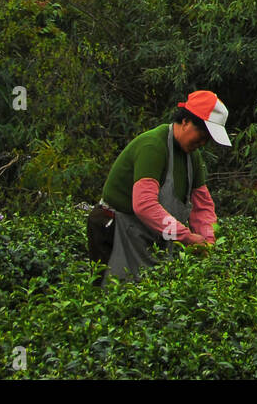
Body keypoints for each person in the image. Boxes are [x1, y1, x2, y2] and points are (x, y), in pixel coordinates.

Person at [99, 91, 231, 282]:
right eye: (201, 135)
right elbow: (144, 205)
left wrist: (208, 241)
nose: (202, 144)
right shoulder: (153, 146)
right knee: (115, 294)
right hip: (115, 228)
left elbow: (203, 207)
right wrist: (185, 236)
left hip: (151, 234)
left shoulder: (192, 157)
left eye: (206, 140)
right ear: (185, 121)